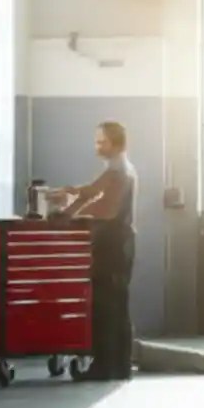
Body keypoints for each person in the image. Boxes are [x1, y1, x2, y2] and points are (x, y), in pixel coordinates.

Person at [58, 121, 137, 382]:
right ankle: (118, 366)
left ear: (115, 143)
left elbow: (107, 208)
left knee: (108, 307)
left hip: (114, 245)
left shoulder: (120, 171)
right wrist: (70, 200)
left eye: (102, 142)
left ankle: (105, 368)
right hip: (115, 244)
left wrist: (74, 214)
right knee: (114, 306)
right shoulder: (115, 169)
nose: (97, 147)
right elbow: (93, 191)